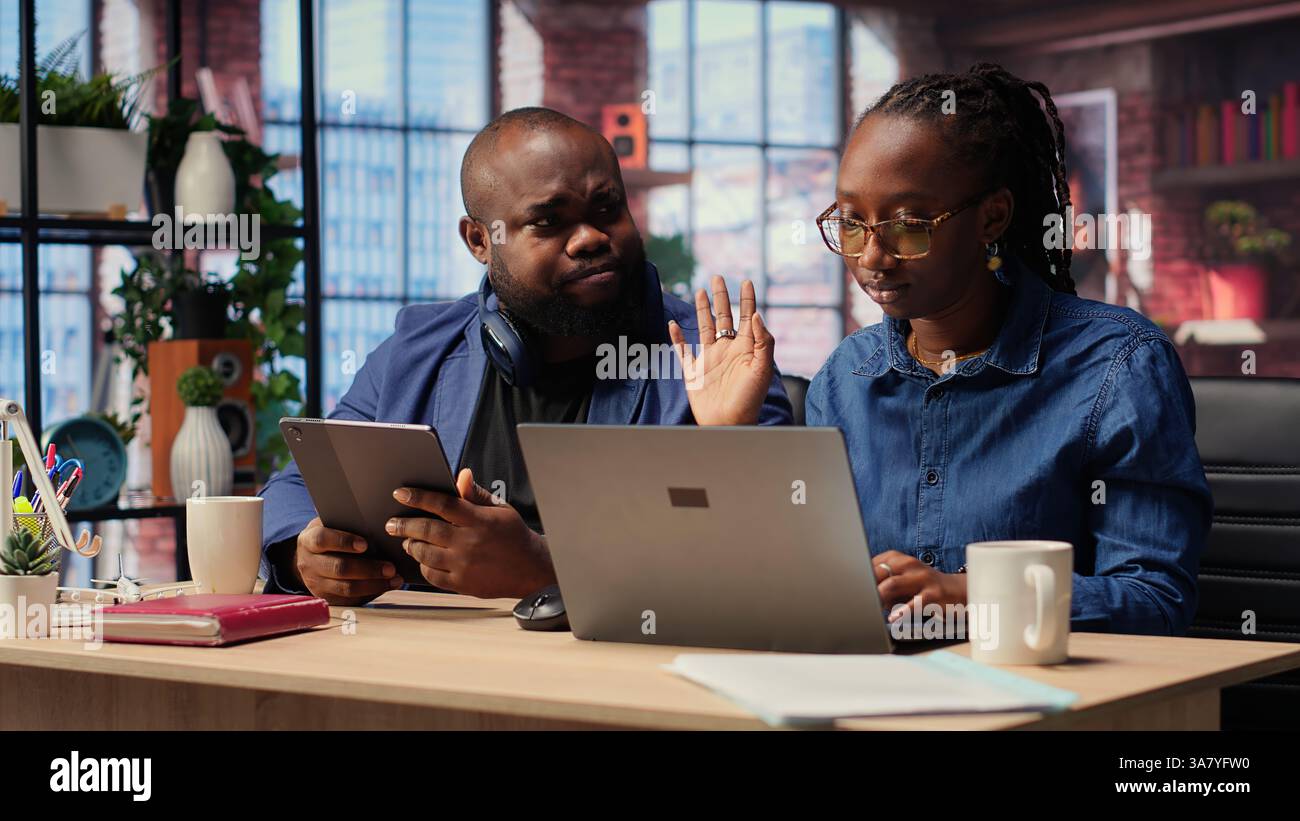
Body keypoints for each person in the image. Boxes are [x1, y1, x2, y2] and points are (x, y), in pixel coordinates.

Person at [259, 107, 792, 605]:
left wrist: (545, 566)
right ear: (479, 240)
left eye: (607, 208)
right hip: (423, 674)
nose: (590, 238)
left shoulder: (718, 362)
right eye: (548, 221)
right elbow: (295, 486)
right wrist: (305, 553)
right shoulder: (415, 350)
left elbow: (770, 563)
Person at [804, 64, 1211, 636]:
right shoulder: (844, 379)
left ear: (991, 217)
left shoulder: (1118, 367)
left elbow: (1155, 598)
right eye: (851, 223)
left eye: (909, 225)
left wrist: (975, 596)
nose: (872, 256)